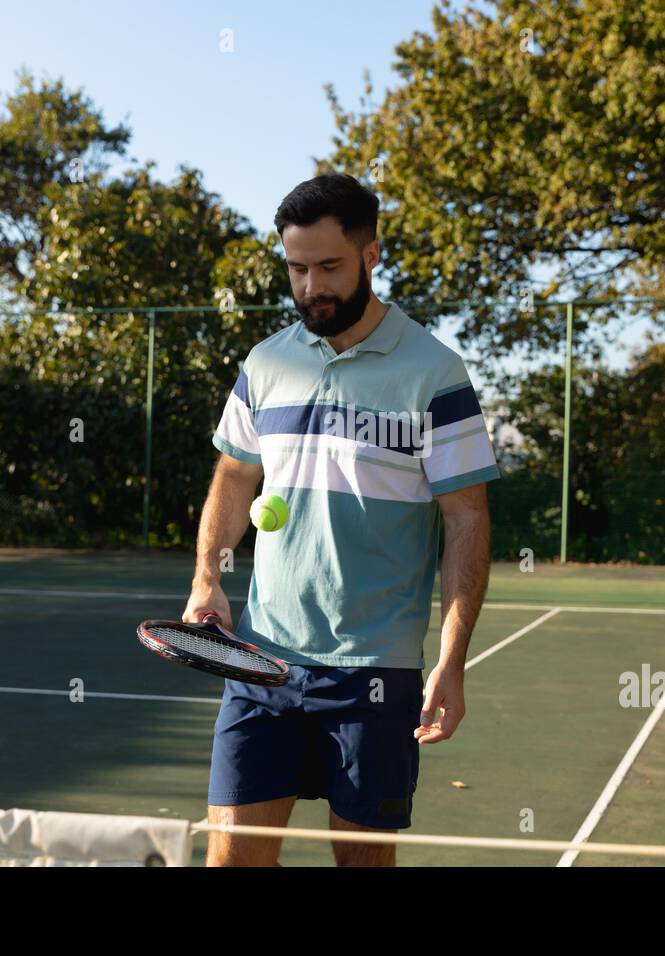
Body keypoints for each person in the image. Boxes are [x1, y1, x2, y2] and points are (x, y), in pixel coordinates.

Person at [185, 172, 499, 866]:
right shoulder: (266, 364)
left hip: (375, 672)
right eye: (297, 268)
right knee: (231, 858)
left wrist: (452, 661)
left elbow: (467, 521)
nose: (311, 287)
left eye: (329, 266)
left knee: (360, 863)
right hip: (261, 661)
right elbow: (235, 477)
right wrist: (207, 578)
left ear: (371, 254)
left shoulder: (434, 373)